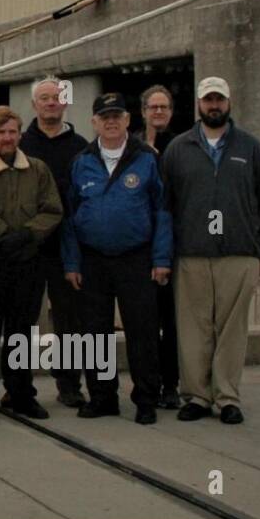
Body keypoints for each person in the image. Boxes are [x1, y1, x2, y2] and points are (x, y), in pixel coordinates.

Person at [161, 77, 260, 426]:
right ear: (197, 104)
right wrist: (164, 256)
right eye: (208, 99)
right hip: (192, 253)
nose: (214, 105)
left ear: (228, 103)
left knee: (231, 328)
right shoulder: (179, 148)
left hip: (239, 252)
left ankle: (227, 396)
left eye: (219, 100)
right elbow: (166, 206)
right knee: (194, 328)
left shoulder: (250, 148)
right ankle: (196, 395)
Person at [62, 92, 173, 425]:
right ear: (94, 122)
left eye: (117, 115)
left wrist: (161, 258)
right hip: (93, 259)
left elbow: (163, 211)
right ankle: (102, 396)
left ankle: (146, 399)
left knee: (142, 330)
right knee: (95, 333)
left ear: (127, 120)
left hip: (135, 258)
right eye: (104, 116)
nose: (111, 121)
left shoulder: (147, 159)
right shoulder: (81, 161)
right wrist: (72, 263)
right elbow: (69, 216)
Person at [0, 106, 63, 423]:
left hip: (28, 261)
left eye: (12, 131)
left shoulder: (38, 169)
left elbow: (52, 209)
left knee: (21, 331)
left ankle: (21, 393)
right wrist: (3, 236)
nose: (7, 138)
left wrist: (27, 235)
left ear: (20, 134)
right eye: (1, 132)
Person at [19, 76, 90, 408]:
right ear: (34, 104)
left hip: (68, 246)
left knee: (70, 318)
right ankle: (19, 385)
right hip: (30, 245)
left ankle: (70, 383)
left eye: (56, 98)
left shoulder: (81, 148)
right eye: (44, 98)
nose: (50, 103)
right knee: (23, 316)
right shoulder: (20, 145)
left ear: (65, 103)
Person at [134, 84, 181, 408]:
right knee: (145, 323)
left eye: (164, 107)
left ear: (171, 111)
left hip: (177, 248)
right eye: (153, 107)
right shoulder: (133, 149)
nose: (159, 112)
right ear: (143, 112)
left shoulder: (182, 146)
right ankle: (147, 385)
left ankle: (171, 385)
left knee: (173, 323)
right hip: (140, 249)